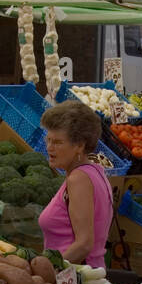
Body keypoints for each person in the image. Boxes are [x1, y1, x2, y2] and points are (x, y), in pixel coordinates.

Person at [38, 101, 113, 267]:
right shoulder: (96, 171)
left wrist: (47, 271)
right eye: (48, 140)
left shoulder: (78, 179)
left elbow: (84, 245)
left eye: (58, 142)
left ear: (80, 145)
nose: (49, 148)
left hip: (77, 280)